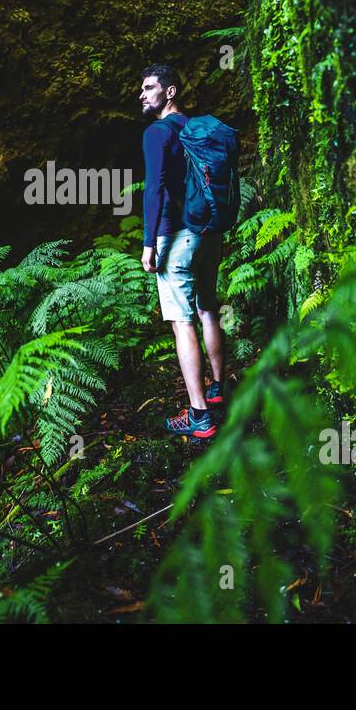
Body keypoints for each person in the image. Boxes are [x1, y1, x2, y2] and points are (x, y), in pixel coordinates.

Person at [138, 63, 225, 441]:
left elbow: (154, 189)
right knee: (208, 308)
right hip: (208, 233)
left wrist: (147, 243)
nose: (142, 94)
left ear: (169, 92)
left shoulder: (157, 133)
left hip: (176, 237)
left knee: (182, 321)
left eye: (149, 88)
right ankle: (218, 388)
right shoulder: (195, 129)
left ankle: (199, 416)